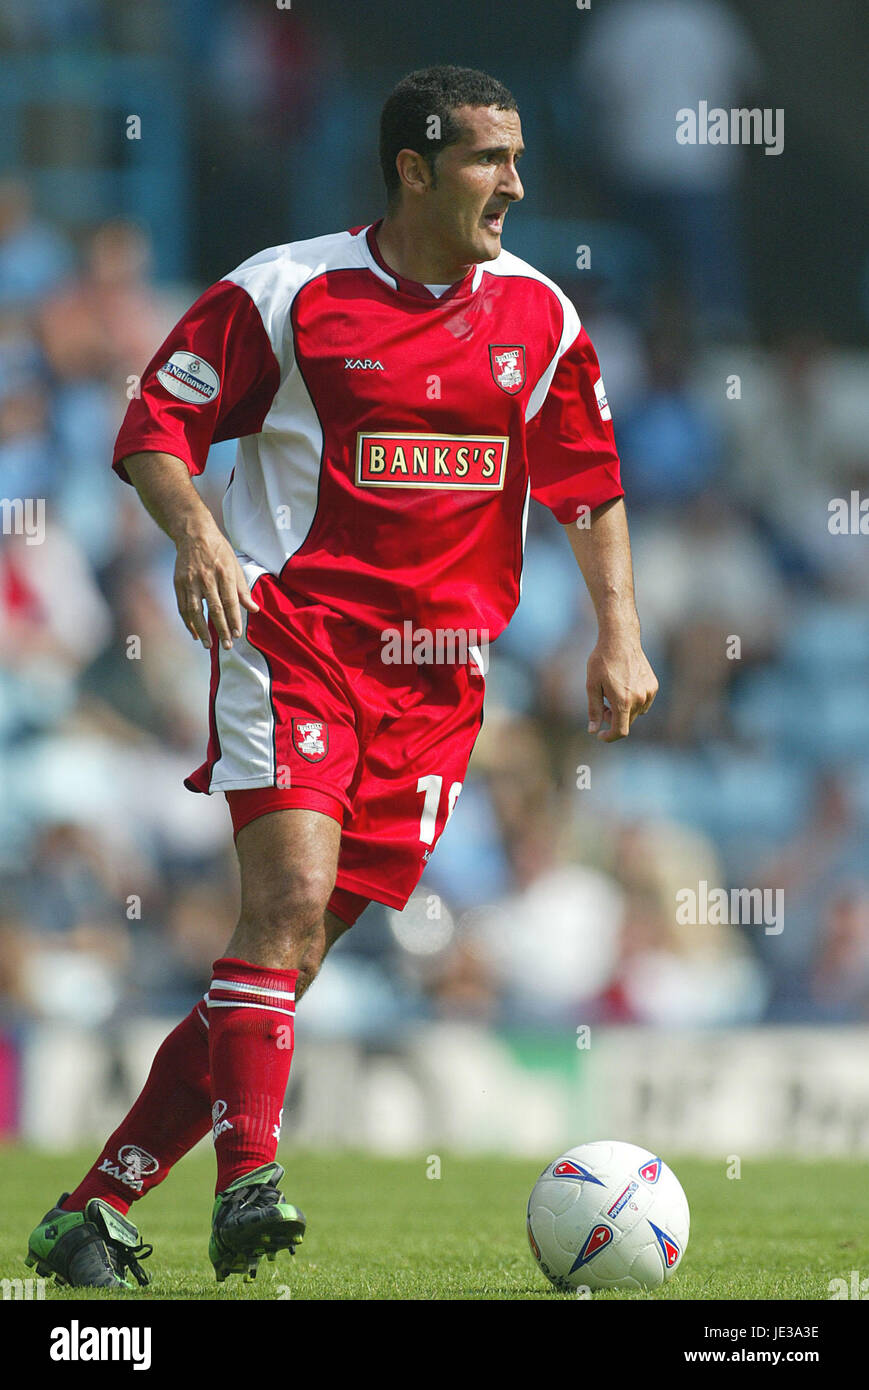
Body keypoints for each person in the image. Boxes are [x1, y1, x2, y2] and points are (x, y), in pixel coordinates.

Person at [25, 65, 657, 1290]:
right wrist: (201, 535)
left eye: (518, 159)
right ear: (413, 169)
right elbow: (156, 420)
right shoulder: (289, 289)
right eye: (487, 160)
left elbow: (587, 480)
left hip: (441, 686)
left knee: (294, 953)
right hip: (296, 639)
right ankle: (249, 1179)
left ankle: (89, 1210)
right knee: (283, 903)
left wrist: (616, 631)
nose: (514, 186)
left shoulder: (537, 316)